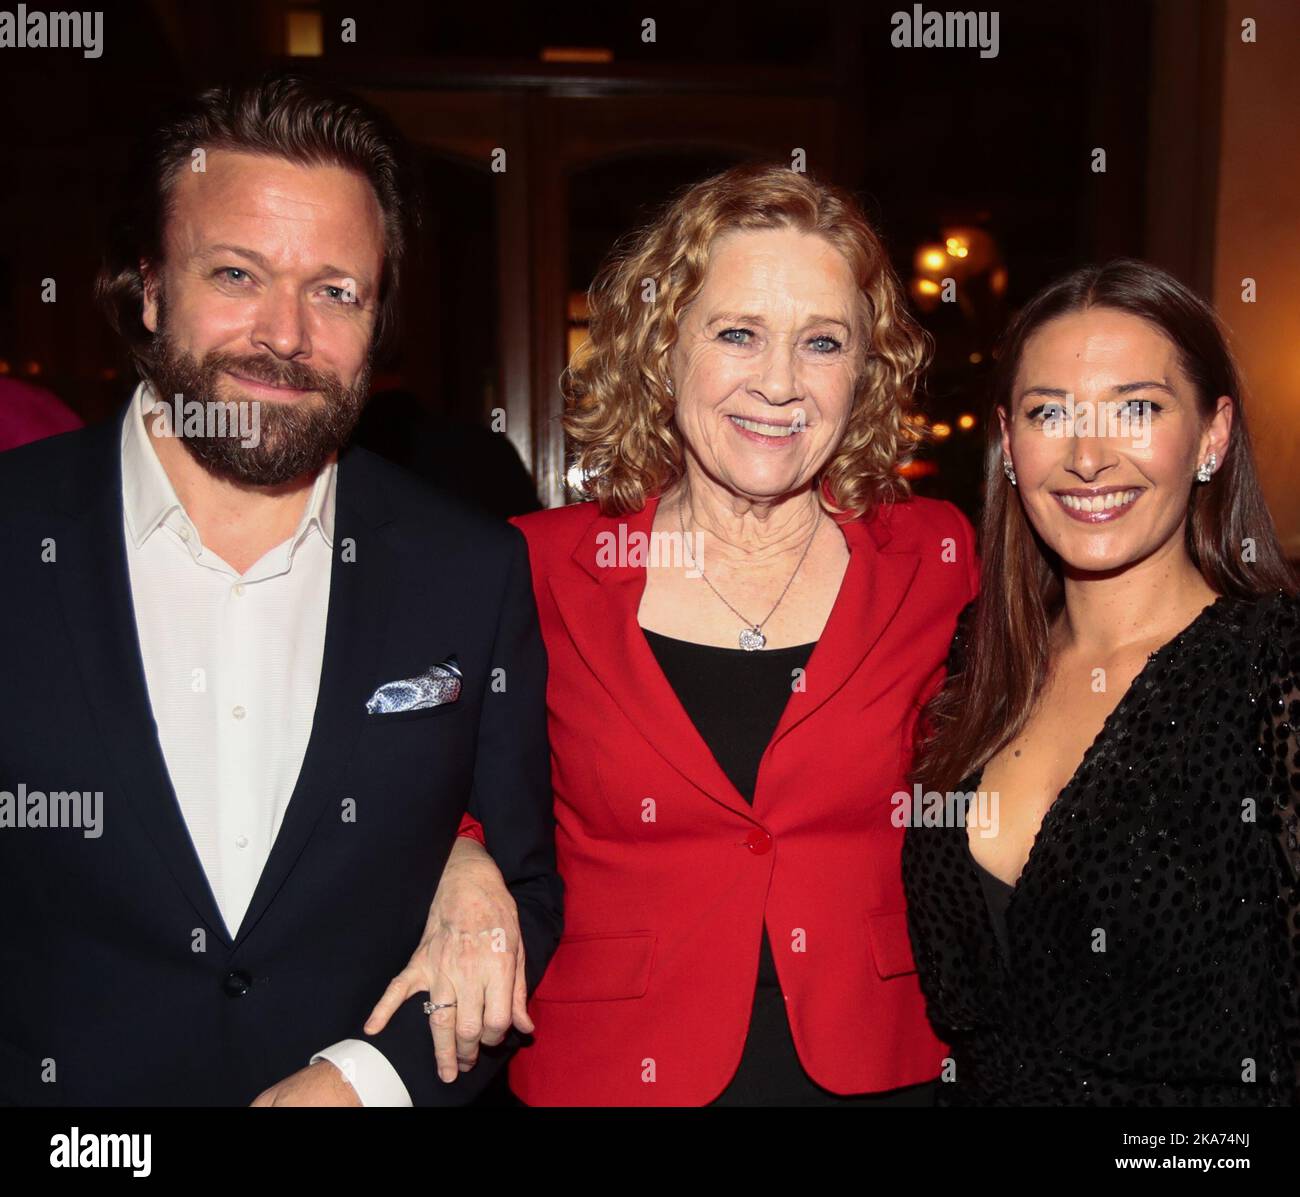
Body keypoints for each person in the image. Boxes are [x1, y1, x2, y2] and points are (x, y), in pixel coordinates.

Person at [0, 73, 562, 1107]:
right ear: (151, 285)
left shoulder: (467, 571)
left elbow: (523, 892)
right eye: (236, 274)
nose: (286, 336)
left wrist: (368, 1085)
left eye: (335, 290)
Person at [368, 163, 979, 1104]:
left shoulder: (935, 554)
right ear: (663, 351)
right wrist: (461, 854)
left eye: (822, 342)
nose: (779, 383)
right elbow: (388, 753)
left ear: (865, 371)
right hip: (611, 1073)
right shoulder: (534, 567)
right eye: (737, 333)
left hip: (887, 1069)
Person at [903, 259, 1299, 1105]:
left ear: (1213, 435)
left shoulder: (1279, 678)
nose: (1088, 456)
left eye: (1137, 408)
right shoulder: (982, 657)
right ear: (1009, 443)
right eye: (1051, 413)